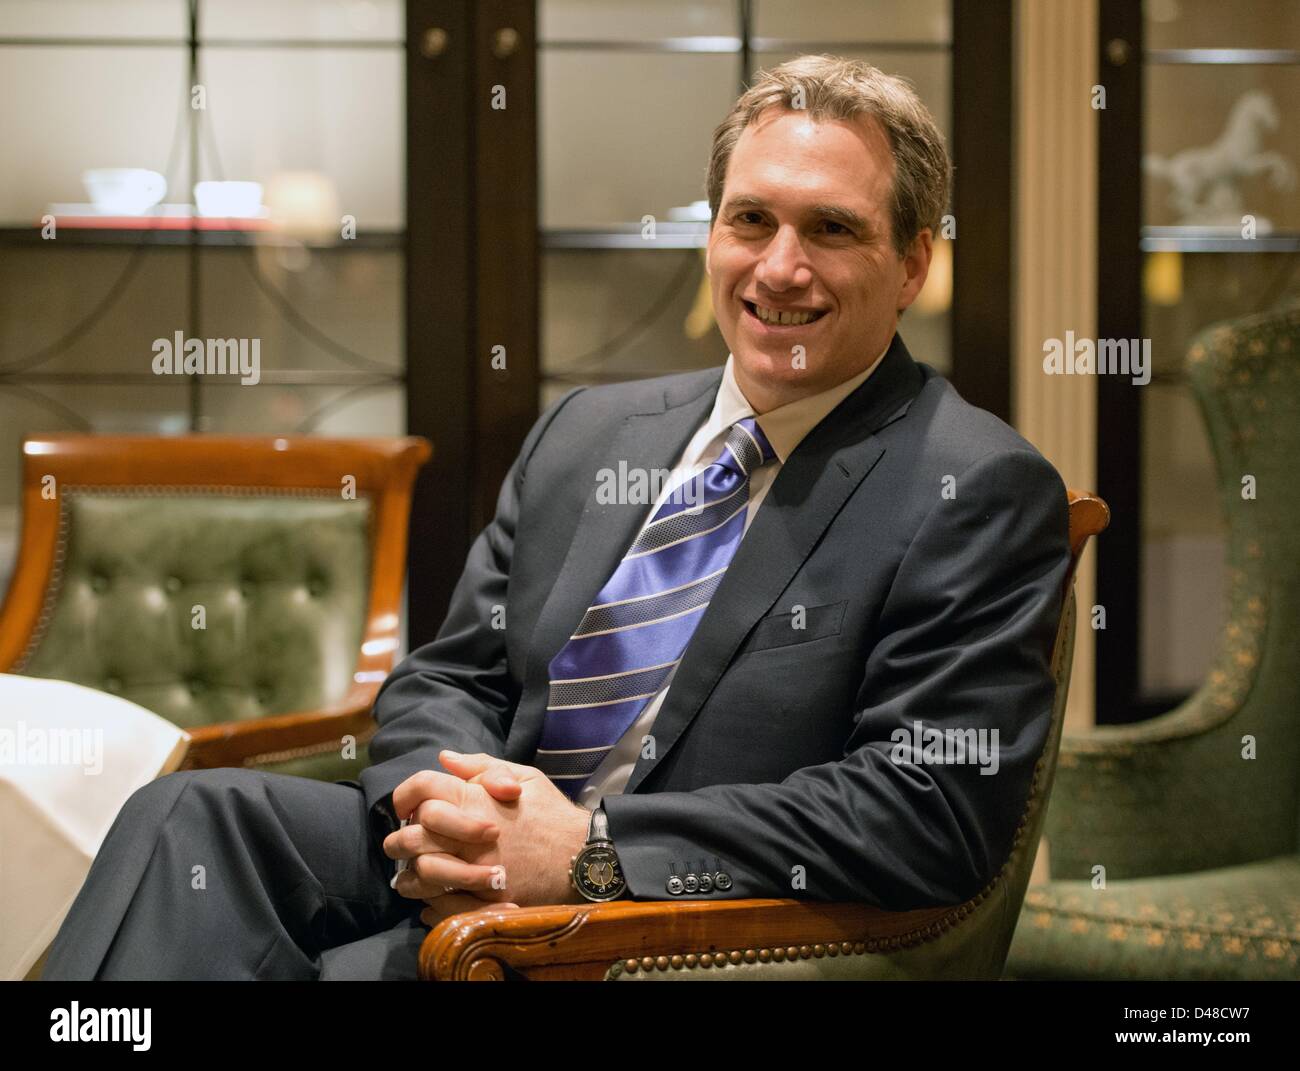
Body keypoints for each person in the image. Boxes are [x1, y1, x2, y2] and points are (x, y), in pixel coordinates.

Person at [41, 55, 1069, 981]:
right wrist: (446, 815)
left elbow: (924, 809)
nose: (779, 267)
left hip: (673, 922)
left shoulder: (973, 487)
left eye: (832, 229)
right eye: (750, 219)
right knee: (190, 816)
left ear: (912, 265)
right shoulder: (593, 432)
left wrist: (589, 850)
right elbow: (452, 676)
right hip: (473, 862)